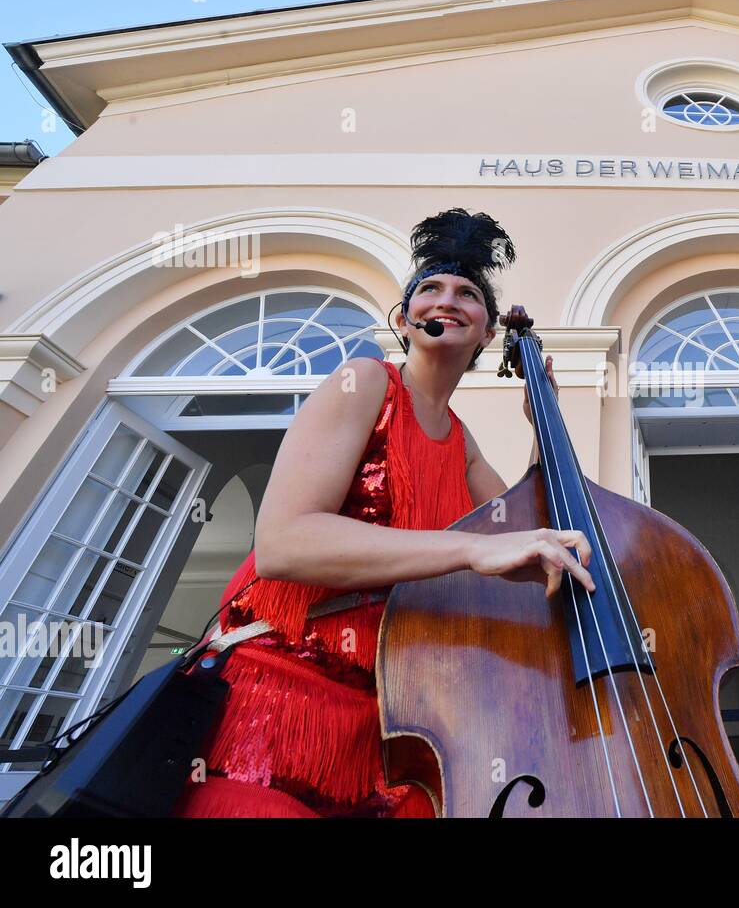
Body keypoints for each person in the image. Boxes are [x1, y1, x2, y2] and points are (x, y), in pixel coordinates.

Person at [175, 208, 594, 817]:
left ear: (486, 332)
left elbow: (529, 536)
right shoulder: (365, 382)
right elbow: (285, 543)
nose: (446, 299)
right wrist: (469, 549)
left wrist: (543, 424)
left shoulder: (463, 443)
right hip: (280, 703)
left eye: (468, 294)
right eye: (430, 288)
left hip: (395, 729)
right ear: (403, 319)